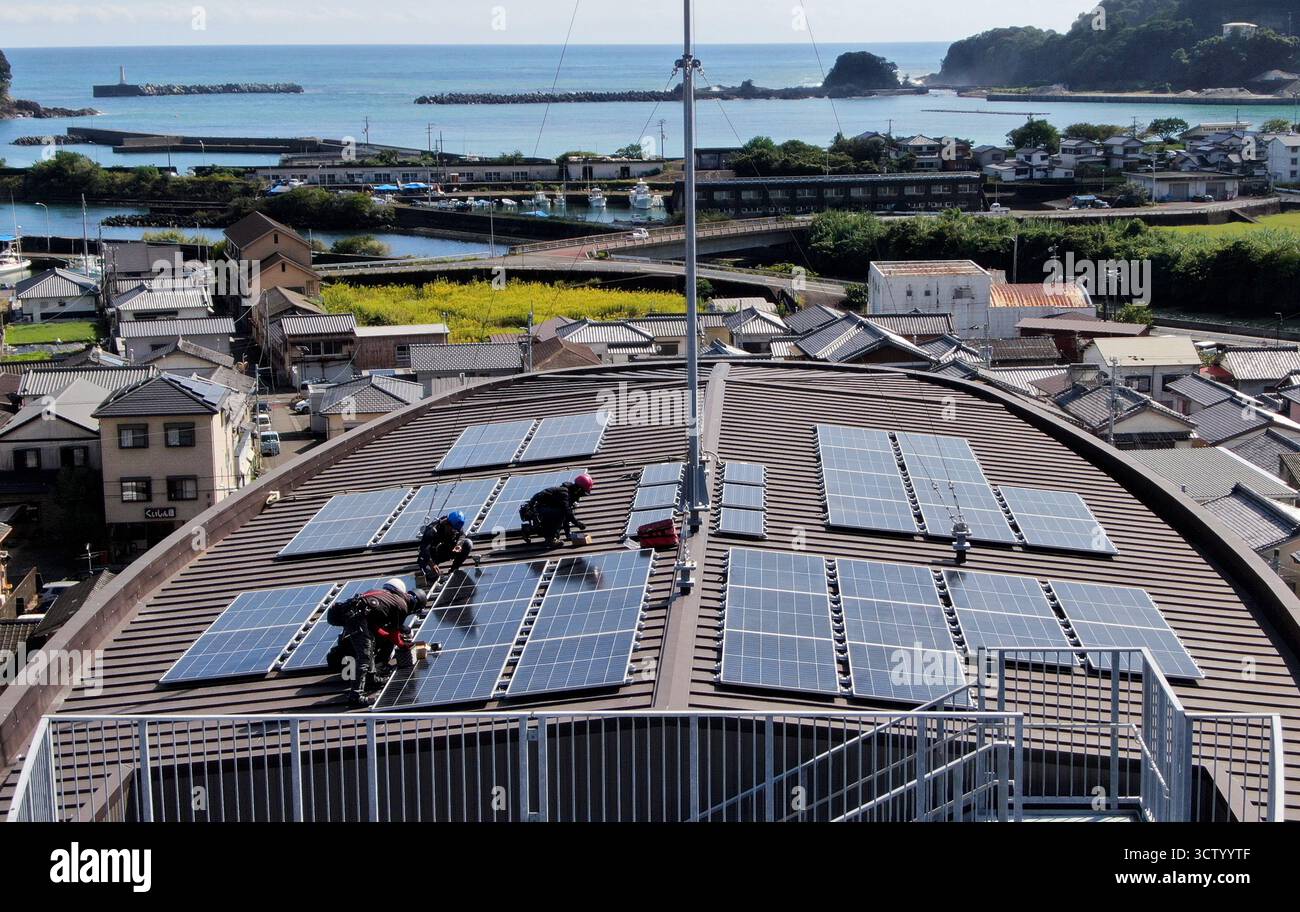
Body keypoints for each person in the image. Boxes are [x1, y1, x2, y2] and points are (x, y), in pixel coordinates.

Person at [327, 578, 426, 708]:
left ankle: (372, 678)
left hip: (353, 616)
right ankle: (355, 696)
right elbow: (394, 633)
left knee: (370, 642)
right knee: (364, 656)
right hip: (357, 619)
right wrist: (404, 646)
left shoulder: (384, 596)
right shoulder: (402, 605)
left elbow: (376, 628)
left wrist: (397, 640)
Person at [523, 473, 594, 546]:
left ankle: (528, 529)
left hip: (544, 512)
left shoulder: (570, 495)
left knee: (559, 517)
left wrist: (568, 535)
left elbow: (566, 517)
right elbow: (566, 512)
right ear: (578, 489)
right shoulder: (564, 493)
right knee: (561, 513)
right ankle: (550, 540)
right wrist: (577, 524)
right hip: (538, 511)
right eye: (583, 493)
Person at [417, 510, 474, 583]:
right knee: (431, 576)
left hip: (445, 550)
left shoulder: (455, 525)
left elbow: (462, 535)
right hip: (431, 555)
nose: (454, 532)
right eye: (452, 529)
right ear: (446, 523)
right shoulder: (432, 530)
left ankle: (453, 570)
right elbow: (424, 548)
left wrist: (459, 545)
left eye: (456, 530)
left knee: (468, 544)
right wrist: (432, 563)